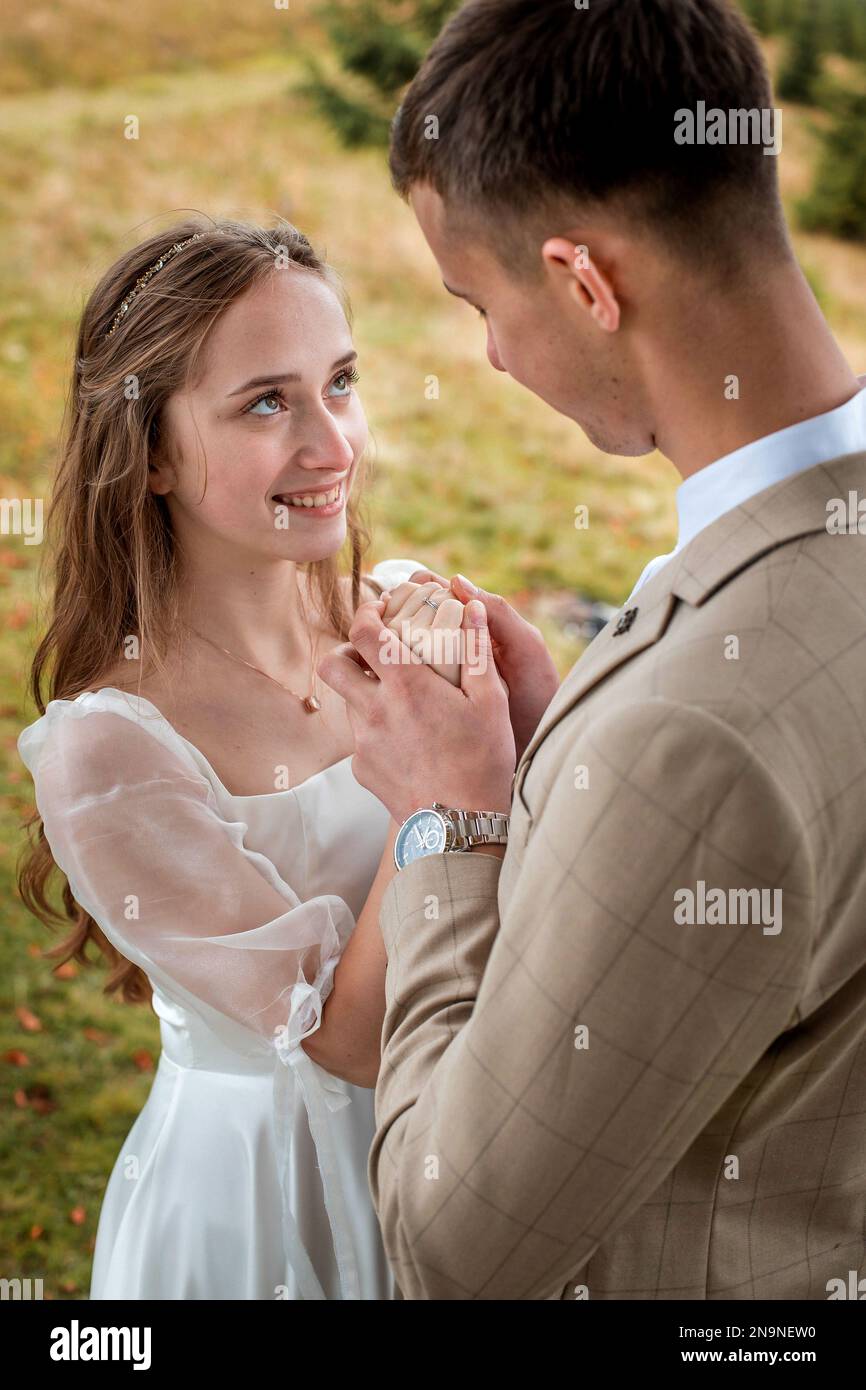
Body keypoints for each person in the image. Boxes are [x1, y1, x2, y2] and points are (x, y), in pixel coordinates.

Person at [319, 0, 866, 1299]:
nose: (494, 358)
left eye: (482, 302)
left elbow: (457, 1248)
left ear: (580, 278)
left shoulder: (688, 732)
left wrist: (450, 820)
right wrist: (575, 765)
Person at [16, 215, 466, 1299]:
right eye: (268, 401)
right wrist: (438, 803)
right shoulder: (113, 753)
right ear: (154, 452)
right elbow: (346, 1043)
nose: (333, 444)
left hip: (455, 1154)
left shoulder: (401, 625)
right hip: (266, 1206)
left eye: (341, 382)